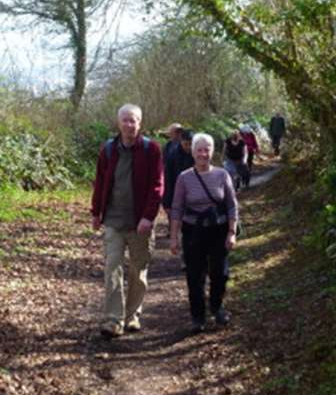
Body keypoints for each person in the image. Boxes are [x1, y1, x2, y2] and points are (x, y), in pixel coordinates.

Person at [90, 104, 165, 338]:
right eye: (125, 120)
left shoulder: (151, 149)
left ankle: (132, 315)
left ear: (140, 123)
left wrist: (148, 217)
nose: (129, 125)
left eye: (133, 121)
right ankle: (113, 319)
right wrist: (96, 212)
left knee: (137, 270)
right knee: (112, 267)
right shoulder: (109, 150)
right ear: (118, 122)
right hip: (113, 219)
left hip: (139, 222)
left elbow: (157, 186)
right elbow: (100, 181)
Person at [169, 133, 238, 333]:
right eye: (199, 150)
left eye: (206, 149)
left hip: (219, 229)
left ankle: (217, 307)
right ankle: (197, 316)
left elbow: (232, 206)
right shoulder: (184, 178)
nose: (203, 154)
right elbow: (177, 208)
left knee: (220, 273)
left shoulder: (222, 175)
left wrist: (232, 232)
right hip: (193, 231)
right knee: (194, 275)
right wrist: (174, 237)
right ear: (193, 153)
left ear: (212, 152)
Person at [163, 129, 195, 220]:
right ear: (181, 142)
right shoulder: (172, 156)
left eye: (191, 144)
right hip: (175, 192)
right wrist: (167, 202)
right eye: (186, 144)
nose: (189, 147)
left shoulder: (197, 155)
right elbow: (168, 179)